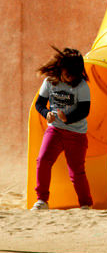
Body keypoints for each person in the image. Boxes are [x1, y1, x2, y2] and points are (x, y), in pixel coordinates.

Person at [31, 47, 92, 210]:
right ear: (61, 69)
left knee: (76, 172)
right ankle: (42, 200)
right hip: (55, 130)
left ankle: (85, 204)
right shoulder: (50, 81)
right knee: (43, 161)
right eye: (68, 75)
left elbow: (85, 110)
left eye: (74, 75)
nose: (70, 78)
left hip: (76, 134)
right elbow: (39, 104)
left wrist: (68, 118)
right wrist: (46, 114)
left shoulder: (81, 86)